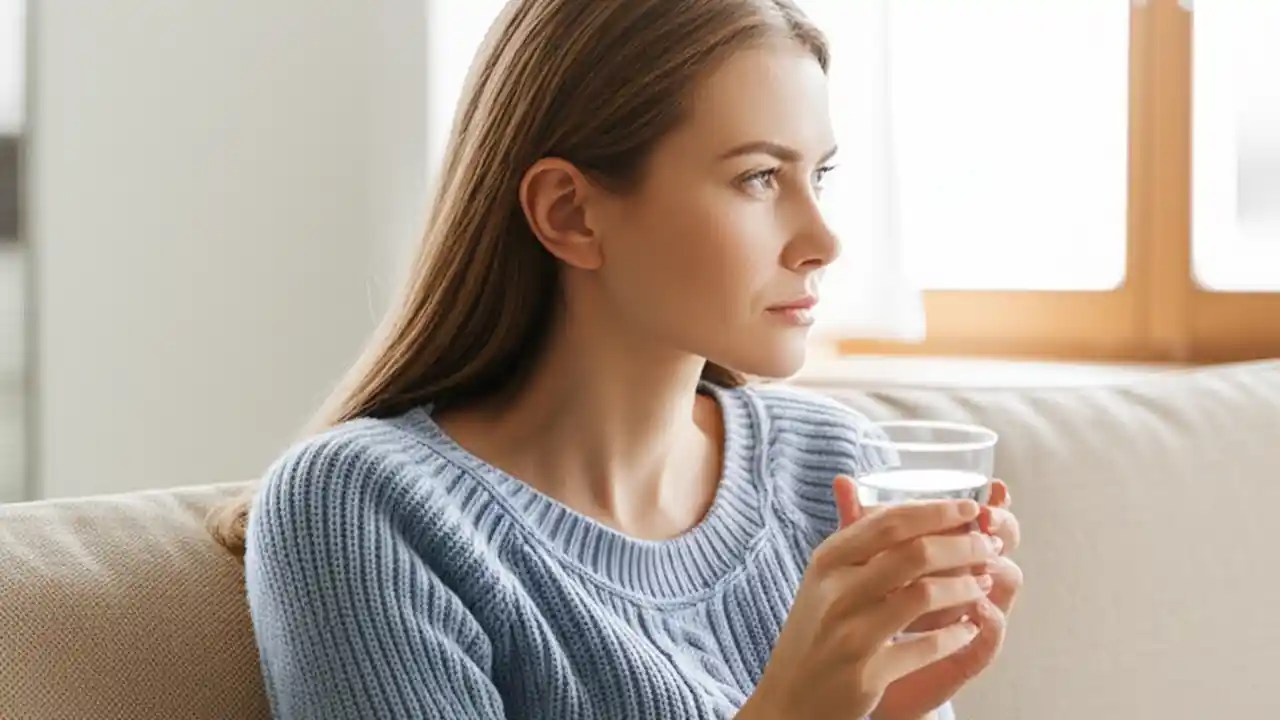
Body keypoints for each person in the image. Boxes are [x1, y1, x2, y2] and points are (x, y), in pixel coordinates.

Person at [206, 0, 1023, 717]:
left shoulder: (837, 470)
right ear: (571, 213)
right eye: (760, 177)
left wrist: (895, 715)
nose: (823, 240)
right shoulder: (368, 510)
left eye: (821, 174)